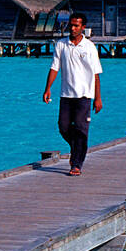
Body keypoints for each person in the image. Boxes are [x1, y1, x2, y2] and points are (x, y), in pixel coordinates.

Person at [42, 12, 103, 175]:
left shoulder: (89, 47)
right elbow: (55, 68)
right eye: (71, 25)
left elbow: (96, 74)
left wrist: (98, 98)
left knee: (81, 130)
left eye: (76, 25)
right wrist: (47, 88)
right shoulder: (61, 44)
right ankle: (76, 148)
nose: (73, 28)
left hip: (84, 96)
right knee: (63, 127)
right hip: (66, 95)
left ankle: (76, 164)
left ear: (83, 27)